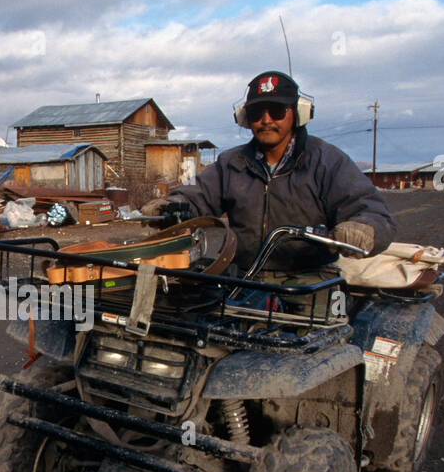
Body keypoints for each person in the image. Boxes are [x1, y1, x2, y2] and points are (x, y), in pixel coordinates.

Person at [142, 71, 397, 307]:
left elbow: (372, 210)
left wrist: (363, 228)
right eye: (256, 113)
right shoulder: (232, 163)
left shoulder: (326, 161)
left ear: (297, 114)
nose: (265, 120)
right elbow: (198, 193)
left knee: (319, 346)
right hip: (244, 278)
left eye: (276, 111)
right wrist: (169, 205)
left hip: (309, 281)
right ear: (245, 118)